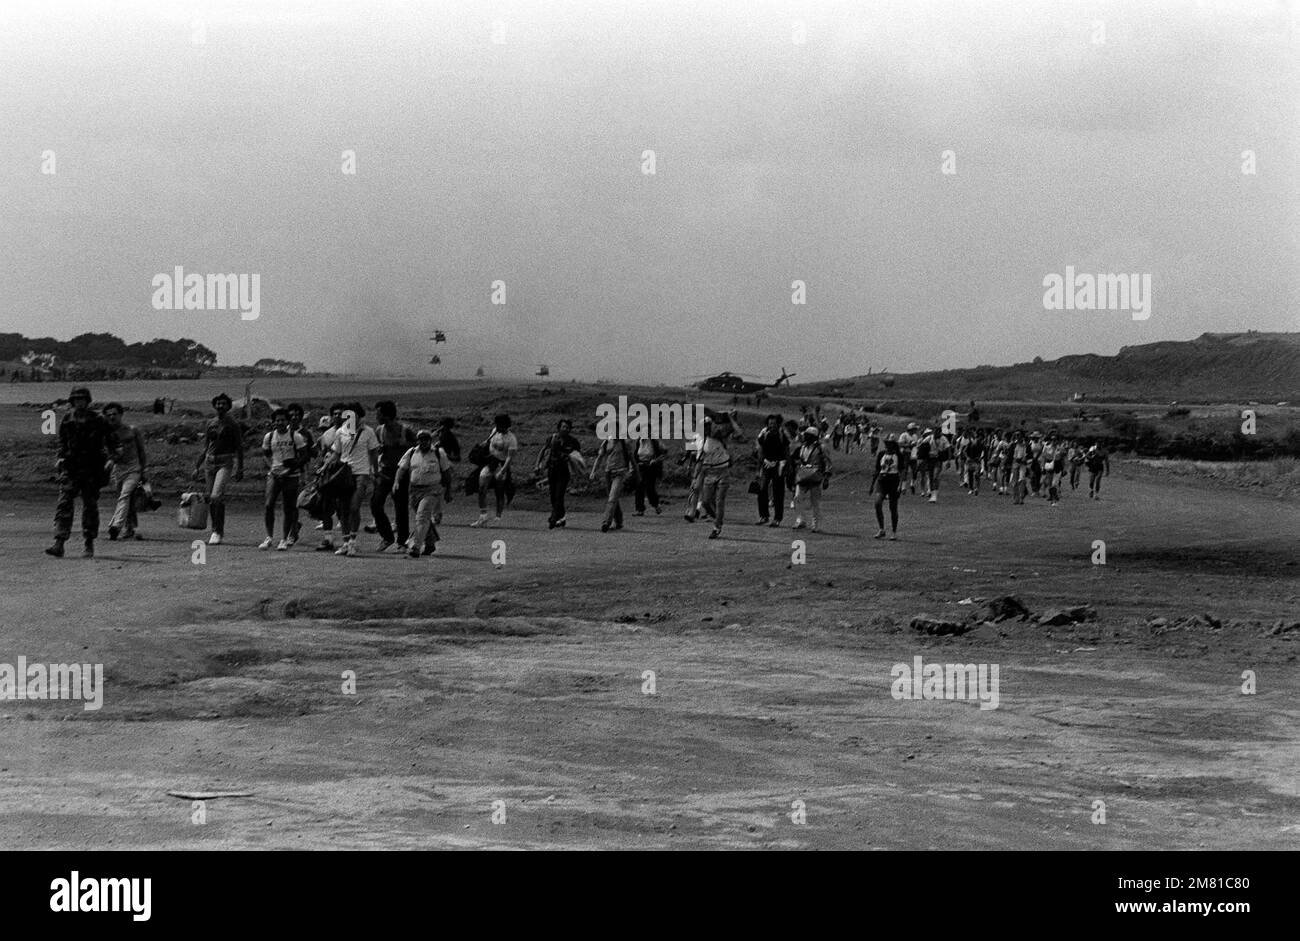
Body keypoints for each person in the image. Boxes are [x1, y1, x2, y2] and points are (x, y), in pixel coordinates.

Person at [46, 387, 116, 558]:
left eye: (82, 399)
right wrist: (60, 457)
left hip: (92, 468)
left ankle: (88, 542)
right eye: (76, 399)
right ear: (72, 401)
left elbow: (112, 440)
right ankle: (59, 542)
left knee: (90, 506)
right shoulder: (67, 419)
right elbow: (62, 441)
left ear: (87, 401)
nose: (79, 402)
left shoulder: (98, 420)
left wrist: (111, 459)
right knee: (64, 503)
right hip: (71, 467)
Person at [193, 392, 245, 545]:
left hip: (225, 462)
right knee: (211, 498)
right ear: (214, 405)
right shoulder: (211, 423)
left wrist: (240, 468)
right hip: (209, 462)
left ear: (228, 406)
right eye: (218, 403)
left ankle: (218, 531)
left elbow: (239, 447)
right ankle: (214, 529)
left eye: (223, 404)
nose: (220, 406)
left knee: (216, 496)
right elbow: (206, 446)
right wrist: (197, 466)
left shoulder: (233, 424)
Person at [329, 404, 380, 556]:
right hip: (344, 473)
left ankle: (353, 540)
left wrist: (375, 471)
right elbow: (336, 453)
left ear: (359, 416)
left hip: (361, 472)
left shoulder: (368, 432)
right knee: (343, 509)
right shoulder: (340, 432)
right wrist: (327, 466)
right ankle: (346, 542)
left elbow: (374, 453)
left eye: (355, 414)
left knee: (354, 507)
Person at [397, 429, 451, 557]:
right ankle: (430, 543)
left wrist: (448, 491)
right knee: (424, 518)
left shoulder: (438, 453)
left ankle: (416, 546)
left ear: (430, 440)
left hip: (432, 490)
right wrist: (396, 482)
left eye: (426, 439)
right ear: (418, 441)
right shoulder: (411, 452)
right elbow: (402, 468)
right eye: (421, 439)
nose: (424, 442)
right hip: (414, 491)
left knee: (422, 516)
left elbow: (446, 473)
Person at [371, 401, 417, 552]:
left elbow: (418, 447)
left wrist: (405, 444)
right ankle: (387, 536)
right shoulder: (379, 431)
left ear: (386, 415)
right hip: (384, 472)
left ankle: (402, 541)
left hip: (401, 472)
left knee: (401, 507)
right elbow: (376, 449)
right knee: (375, 503)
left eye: (378, 414)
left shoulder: (405, 430)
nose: (376, 416)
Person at [259, 408, 308, 550]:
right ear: (273, 422)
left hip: (291, 476)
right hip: (274, 475)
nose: (280, 423)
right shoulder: (269, 436)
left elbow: (304, 456)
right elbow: (265, 454)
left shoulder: (295, 436)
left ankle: (284, 538)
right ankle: (269, 537)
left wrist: (289, 470)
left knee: (288, 507)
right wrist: (271, 468)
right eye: (277, 420)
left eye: (282, 420)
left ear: (287, 421)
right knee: (268, 505)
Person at [103, 401, 147, 540]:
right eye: (109, 415)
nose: (112, 417)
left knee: (125, 495)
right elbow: (106, 452)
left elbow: (141, 451)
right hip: (118, 470)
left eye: (114, 414)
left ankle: (116, 526)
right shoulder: (107, 434)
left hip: (133, 468)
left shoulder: (132, 430)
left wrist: (143, 470)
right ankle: (130, 528)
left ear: (121, 415)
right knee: (126, 499)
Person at [698, 410, 745, 539]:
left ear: (711, 425)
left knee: (719, 501)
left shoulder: (719, 435)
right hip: (709, 472)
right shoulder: (702, 439)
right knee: (706, 502)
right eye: (703, 427)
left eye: (707, 426)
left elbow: (738, 432)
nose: (705, 429)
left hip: (722, 471)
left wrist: (731, 418)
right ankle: (718, 518)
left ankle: (717, 527)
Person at [472, 414, 518, 527]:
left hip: (501, 464)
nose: (497, 427)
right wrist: (485, 443)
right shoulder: (495, 431)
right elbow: (489, 441)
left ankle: (498, 517)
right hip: (491, 462)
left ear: (505, 426)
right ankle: (483, 516)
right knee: (482, 487)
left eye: (499, 425)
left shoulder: (511, 439)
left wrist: (502, 471)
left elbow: (509, 458)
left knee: (499, 491)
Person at [590, 428, 639, 532]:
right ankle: (619, 522)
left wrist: (636, 473)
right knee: (613, 497)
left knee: (612, 498)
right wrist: (593, 471)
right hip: (608, 473)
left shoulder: (625, 443)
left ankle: (606, 522)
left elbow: (632, 459)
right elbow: (600, 457)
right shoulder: (606, 442)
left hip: (620, 473)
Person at [536, 419, 581, 528]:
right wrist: (537, 465)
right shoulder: (552, 439)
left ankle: (554, 517)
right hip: (552, 470)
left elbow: (578, 457)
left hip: (564, 472)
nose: (565, 429)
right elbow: (543, 450)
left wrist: (572, 461)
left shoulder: (573, 442)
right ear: (559, 428)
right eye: (563, 427)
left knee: (559, 495)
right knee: (553, 496)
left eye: (568, 427)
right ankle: (561, 517)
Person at [313, 403, 346, 551]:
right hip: (329, 473)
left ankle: (347, 540)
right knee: (326, 505)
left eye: (341, 413)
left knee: (342, 507)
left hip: (344, 472)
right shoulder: (326, 435)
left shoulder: (350, 433)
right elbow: (323, 454)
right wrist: (320, 469)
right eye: (335, 414)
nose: (337, 416)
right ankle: (328, 538)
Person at [790, 425, 830, 531]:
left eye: (808, 435)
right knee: (797, 497)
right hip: (803, 475)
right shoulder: (803, 447)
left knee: (815, 501)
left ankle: (816, 524)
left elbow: (827, 462)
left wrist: (826, 477)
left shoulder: (821, 448)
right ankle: (801, 520)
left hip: (815, 476)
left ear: (813, 437)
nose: (805, 437)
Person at [753, 414, 790, 527]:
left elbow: (786, 451)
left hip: (779, 465)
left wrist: (787, 467)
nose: (772, 425)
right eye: (770, 423)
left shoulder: (782, 435)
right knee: (762, 489)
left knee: (778, 492)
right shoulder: (764, 434)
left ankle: (777, 518)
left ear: (778, 424)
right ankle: (764, 516)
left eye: (774, 423)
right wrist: (758, 468)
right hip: (766, 464)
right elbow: (760, 451)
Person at [284, 403, 313, 545]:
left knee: (295, 502)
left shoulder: (305, 433)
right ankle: (294, 525)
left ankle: (293, 532)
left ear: (301, 417)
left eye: (297, 415)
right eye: (291, 415)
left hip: (300, 471)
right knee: (288, 503)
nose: (294, 417)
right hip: (284, 471)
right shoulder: (282, 431)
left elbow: (310, 452)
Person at [871, 435, 904, 540]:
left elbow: (902, 471)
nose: (887, 445)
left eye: (889, 443)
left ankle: (894, 531)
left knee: (893, 507)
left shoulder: (898, 455)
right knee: (877, 503)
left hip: (893, 481)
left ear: (893, 444)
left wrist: (901, 485)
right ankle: (881, 529)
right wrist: (872, 485)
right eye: (886, 443)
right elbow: (877, 469)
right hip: (882, 481)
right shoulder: (881, 454)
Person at [632, 433, 666, 515]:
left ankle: (655, 504)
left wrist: (655, 460)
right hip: (641, 466)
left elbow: (664, 452)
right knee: (639, 486)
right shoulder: (638, 441)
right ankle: (640, 509)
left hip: (651, 466)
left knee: (650, 487)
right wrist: (636, 464)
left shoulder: (654, 441)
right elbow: (635, 454)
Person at [964, 429, 985, 495]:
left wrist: (980, 457)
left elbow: (983, 452)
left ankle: (976, 488)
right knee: (970, 476)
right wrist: (967, 457)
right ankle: (971, 489)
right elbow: (965, 451)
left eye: (981, 438)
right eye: (980, 438)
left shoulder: (981, 444)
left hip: (977, 462)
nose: (980, 439)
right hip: (970, 461)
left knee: (976, 475)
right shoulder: (971, 443)